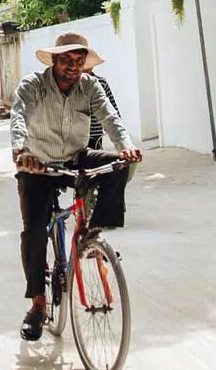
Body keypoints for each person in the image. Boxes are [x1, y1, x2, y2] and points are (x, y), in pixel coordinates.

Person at [11, 31, 141, 341]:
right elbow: (18, 116)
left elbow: (111, 119)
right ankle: (38, 306)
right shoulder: (33, 85)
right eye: (67, 60)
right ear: (54, 60)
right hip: (38, 163)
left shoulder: (90, 86)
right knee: (34, 233)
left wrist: (127, 146)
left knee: (118, 167)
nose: (73, 66)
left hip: (75, 157)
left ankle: (92, 233)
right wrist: (21, 151)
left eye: (79, 61)